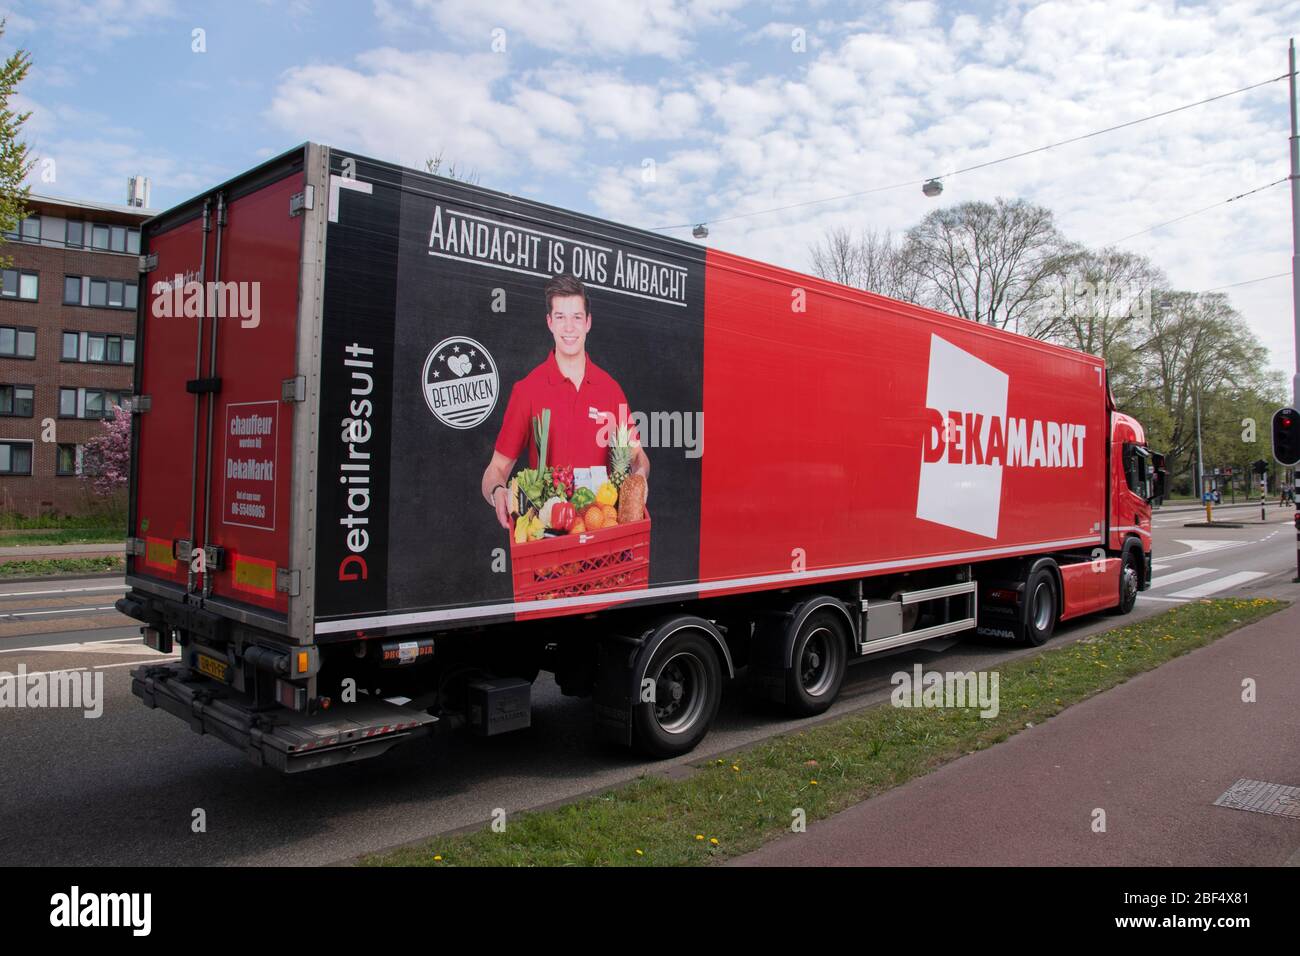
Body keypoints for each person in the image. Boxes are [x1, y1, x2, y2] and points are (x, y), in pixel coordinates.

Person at [481, 274, 649, 530]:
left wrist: (639, 477)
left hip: (602, 532)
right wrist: (497, 492)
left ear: (588, 323)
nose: (569, 328)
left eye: (576, 317)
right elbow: (497, 468)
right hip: (549, 538)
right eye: (560, 317)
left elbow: (638, 457)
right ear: (549, 322)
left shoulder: (610, 390)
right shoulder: (528, 390)